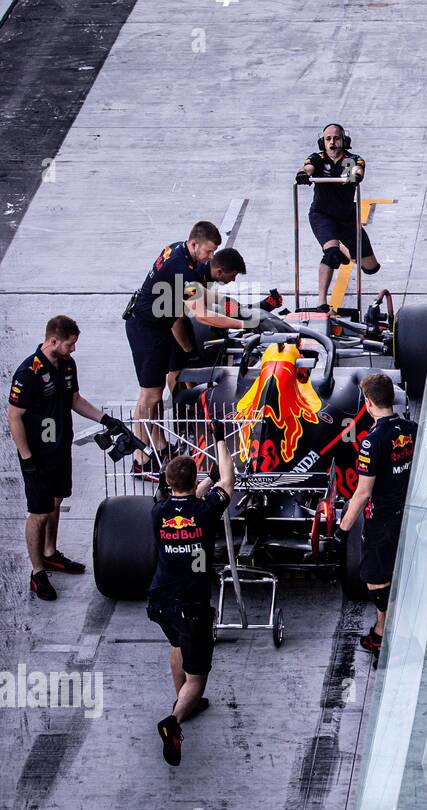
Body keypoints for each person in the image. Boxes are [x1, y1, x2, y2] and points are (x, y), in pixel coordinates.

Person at [7, 316, 128, 600]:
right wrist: (26, 457)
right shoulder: (28, 373)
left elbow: (74, 399)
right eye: (70, 344)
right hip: (36, 453)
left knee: (56, 500)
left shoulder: (67, 364)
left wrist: (105, 419)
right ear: (53, 341)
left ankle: (50, 553)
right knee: (38, 512)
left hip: (60, 447)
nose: (73, 349)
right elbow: (14, 417)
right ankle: (38, 572)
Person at [123, 221, 246, 477]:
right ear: (194, 244)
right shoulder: (182, 269)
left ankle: (159, 446)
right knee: (149, 397)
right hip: (146, 329)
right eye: (209, 252)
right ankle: (141, 459)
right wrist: (243, 321)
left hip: (159, 326)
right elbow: (202, 315)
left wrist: (236, 308)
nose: (211, 258)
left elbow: (201, 294)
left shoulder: (179, 251)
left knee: (155, 395)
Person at [150, 434, 235, 767]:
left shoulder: (158, 512)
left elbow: (185, 501)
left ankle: (182, 701)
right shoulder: (206, 512)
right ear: (196, 479)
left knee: (177, 645)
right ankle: (175, 721)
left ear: (169, 483)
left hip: (160, 603)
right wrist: (220, 442)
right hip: (192, 607)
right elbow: (229, 479)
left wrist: (203, 482)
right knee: (198, 679)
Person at [338, 374, 417, 658]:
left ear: (369, 403)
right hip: (408, 514)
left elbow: (362, 493)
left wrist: (343, 530)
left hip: (383, 520)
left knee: (374, 578)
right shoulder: (412, 429)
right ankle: (380, 634)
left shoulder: (372, 441)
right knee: (394, 572)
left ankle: (394, 633)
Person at [297, 123, 379, 312]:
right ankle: (321, 303)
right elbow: (308, 167)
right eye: (328, 139)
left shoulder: (352, 160)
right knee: (331, 255)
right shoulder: (318, 158)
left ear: (344, 140)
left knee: (370, 267)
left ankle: (343, 250)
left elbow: (358, 171)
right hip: (322, 215)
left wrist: (356, 176)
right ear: (322, 142)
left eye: (336, 138)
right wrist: (303, 174)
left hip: (347, 217)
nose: (332, 142)